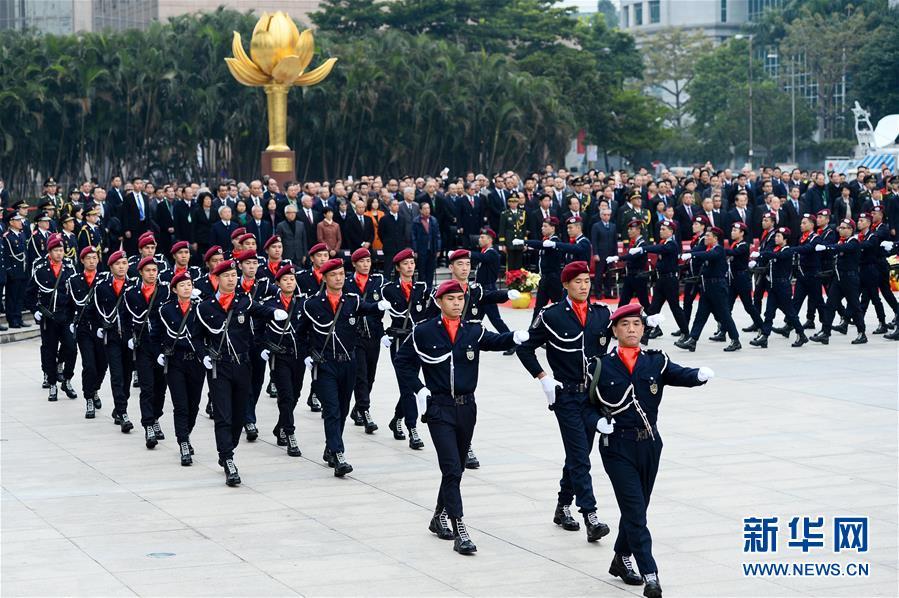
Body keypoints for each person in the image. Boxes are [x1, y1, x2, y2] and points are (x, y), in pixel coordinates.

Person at [394, 279, 526, 555]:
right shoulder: (424, 331)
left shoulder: (472, 330)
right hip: (439, 407)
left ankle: (438, 516)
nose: (457, 303)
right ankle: (460, 529)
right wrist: (419, 389)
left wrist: (515, 336)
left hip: (467, 407)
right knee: (452, 467)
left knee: (457, 468)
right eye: (451, 299)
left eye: (460, 299)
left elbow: (494, 341)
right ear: (439, 302)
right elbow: (402, 361)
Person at [593, 303, 713, 598]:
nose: (631, 329)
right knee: (635, 510)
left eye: (636, 324)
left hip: (649, 444)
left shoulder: (655, 361)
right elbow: (583, 405)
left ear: (644, 329)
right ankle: (651, 574)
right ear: (614, 331)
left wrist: (698, 375)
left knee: (637, 507)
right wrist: (595, 422)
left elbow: (678, 374)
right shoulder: (599, 365)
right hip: (617, 445)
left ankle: (621, 557)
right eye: (625, 325)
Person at [516, 261, 617, 542]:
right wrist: (543, 378)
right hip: (567, 395)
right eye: (577, 282)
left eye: (587, 281)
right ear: (565, 285)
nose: (583, 286)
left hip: (594, 396)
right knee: (579, 456)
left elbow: (620, 334)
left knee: (579, 453)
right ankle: (590, 516)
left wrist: (640, 322)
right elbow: (524, 348)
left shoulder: (601, 314)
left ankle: (562, 507)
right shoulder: (552, 315)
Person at [196, 259, 288, 486]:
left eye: (233, 276)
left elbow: (260, 310)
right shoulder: (205, 307)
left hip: (242, 365)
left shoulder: (243, 301)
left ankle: (229, 447)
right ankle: (228, 458)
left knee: (238, 415)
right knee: (223, 415)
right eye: (226, 276)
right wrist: (203, 355)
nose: (231, 279)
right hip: (219, 366)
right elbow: (196, 336)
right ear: (217, 279)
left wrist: (274, 312)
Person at [298, 258, 388, 476]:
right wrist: (306, 356)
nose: (339, 279)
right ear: (324, 278)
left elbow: (368, 308)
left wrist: (379, 306)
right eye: (333, 275)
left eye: (341, 274)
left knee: (344, 408)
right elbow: (301, 333)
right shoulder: (313, 304)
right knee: (332, 410)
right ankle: (339, 454)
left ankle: (331, 447)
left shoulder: (351, 301)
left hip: (348, 362)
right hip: (325, 363)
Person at [382, 248, 433, 447]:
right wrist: (382, 334)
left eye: (412, 263)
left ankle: (396, 419)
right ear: (398, 267)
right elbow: (376, 313)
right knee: (406, 386)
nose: (410, 267)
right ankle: (412, 429)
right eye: (405, 264)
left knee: (411, 384)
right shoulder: (389, 289)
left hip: (417, 342)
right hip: (399, 342)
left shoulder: (421, 287)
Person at [156, 271, 206, 466]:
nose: (187, 288)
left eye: (189, 284)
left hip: (196, 362)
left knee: (194, 405)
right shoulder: (166, 309)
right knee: (181, 405)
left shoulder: (200, 308)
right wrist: (160, 352)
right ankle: (183, 441)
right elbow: (157, 333)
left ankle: (186, 433)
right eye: (182, 285)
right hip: (176, 361)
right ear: (175, 289)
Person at [125, 255, 171, 448]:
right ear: (141, 272)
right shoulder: (132, 293)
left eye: (154, 270)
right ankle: (148, 425)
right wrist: (129, 337)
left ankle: (156, 416)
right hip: (143, 344)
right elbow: (125, 316)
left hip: (161, 345)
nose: (152, 274)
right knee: (147, 387)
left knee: (161, 387)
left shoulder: (165, 290)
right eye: (148, 270)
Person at [260, 264, 306, 456]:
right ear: (278, 283)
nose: (289, 283)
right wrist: (264, 347)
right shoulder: (270, 304)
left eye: (292, 279)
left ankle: (281, 425)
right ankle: (289, 433)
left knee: (295, 394)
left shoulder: (303, 302)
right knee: (286, 395)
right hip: (280, 356)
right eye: (285, 280)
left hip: (299, 356)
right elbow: (259, 329)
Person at [674, 227, 742, 352]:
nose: (705, 238)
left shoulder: (718, 250)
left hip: (717, 287)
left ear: (715, 238)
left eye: (708, 236)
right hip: (707, 287)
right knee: (700, 315)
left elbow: (709, 255)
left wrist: (692, 255)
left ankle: (735, 340)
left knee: (725, 315)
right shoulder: (709, 249)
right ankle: (692, 340)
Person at [27, 234, 78, 401]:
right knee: (49, 350)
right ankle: (52, 383)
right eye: (56, 250)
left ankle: (67, 379)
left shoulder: (70, 268)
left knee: (71, 348)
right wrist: (35, 310)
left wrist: (76, 314)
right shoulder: (41, 269)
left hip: (66, 315)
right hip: (48, 317)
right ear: (49, 252)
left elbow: (75, 292)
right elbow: (30, 293)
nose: (59, 253)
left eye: (61, 250)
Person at [747, 227, 809, 348]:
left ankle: (801, 334)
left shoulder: (787, 250)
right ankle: (764, 337)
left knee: (790, 313)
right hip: (773, 286)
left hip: (782, 286)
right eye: (775, 236)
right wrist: (757, 263)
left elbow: (778, 256)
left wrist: (761, 254)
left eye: (778, 236)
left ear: (785, 239)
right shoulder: (775, 249)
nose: (776, 238)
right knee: (769, 313)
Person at [344, 248, 384, 434]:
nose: (366, 265)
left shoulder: (377, 281)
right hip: (355, 335)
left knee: (370, 377)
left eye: (368, 261)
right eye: (361, 261)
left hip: (373, 334)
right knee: (360, 376)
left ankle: (357, 408)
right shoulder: (347, 283)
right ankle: (366, 411)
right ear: (354, 264)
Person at [96, 250, 136, 433]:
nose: (121, 267)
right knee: (117, 375)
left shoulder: (134, 285)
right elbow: (95, 309)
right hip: (111, 337)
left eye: (124, 263)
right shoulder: (103, 287)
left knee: (127, 375)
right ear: (111, 267)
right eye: (117, 264)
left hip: (128, 338)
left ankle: (120, 406)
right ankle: (123, 412)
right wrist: (99, 326)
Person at [811, 218, 867, 345]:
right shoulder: (841, 241)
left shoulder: (853, 242)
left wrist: (826, 247)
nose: (840, 230)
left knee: (855, 306)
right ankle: (825, 333)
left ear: (851, 230)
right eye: (840, 227)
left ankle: (861, 333)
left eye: (843, 228)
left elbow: (843, 248)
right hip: (838, 279)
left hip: (850, 279)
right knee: (830, 305)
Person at [68, 246, 107, 418]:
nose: (92, 261)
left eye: (94, 258)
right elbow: (69, 304)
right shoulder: (75, 280)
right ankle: (89, 397)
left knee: (102, 364)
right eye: (88, 258)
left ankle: (95, 388)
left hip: (101, 328)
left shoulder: (104, 279)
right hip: (84, 327)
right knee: (89, 364)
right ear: (82, 260)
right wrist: (70, 322)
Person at [637, 220, 689, 339]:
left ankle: (686, 332)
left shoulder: (672, 244)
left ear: (671, 232)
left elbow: (661, 249)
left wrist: (643, 249)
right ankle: (649, 331)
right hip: (661, 280)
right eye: (660, 229)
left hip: (670, 280)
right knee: (653, 308)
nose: (661, 231)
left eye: (664, 229)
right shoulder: (664, 243)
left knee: (675, 308)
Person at [517, 216, 563, 322]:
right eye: (542, 226)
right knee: (539, 307)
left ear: (553, 228)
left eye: (545, 226)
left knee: (558, 306)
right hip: (545, 278)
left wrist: (524, 242)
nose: (542, 228)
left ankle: (563, 327)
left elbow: (541, 245)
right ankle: (533, 328)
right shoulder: (547, 241)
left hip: (553, 278)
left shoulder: (554, 241)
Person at [607, 219, 650, 311]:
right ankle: (617, 319)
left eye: (631, 229)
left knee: (645, 304)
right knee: (622, 303)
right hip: (630, 276)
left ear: (638, 230)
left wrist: (617, 258)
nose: (628, 231)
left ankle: (654, 320)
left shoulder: (642, 244)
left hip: (639, 277)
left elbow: (632, 256)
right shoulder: (635, 243)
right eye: (628, 229)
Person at [3, 213, 30, 328]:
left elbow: (25, 253)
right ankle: (12, 319)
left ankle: (18, 318)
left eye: (20, 220)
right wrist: (9, 270)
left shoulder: (22, 234)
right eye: (18, 220)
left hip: (23, 269)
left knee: (20, 296)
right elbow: (6, 255)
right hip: (14, 270)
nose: (20, 222)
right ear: (11, 222)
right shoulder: (7, 237)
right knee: (12, 296)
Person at [411, 202, 441, 290]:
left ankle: (429, 289)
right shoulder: (416, 221)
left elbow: (438, 236)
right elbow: (413, 237)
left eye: (428, 208)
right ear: (420, 210)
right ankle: (422, 290)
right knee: (422, 271)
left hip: (432, 249)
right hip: (421, 250)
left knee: (430, 271)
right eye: (425, 208)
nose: (427, 210)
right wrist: (415, 250)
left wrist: (438, 249)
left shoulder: (433, 220)